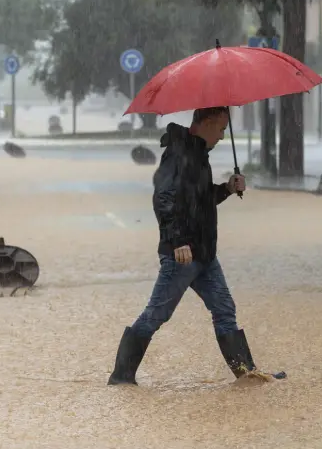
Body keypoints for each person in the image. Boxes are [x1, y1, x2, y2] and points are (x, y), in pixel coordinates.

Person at [108, 107, 285, 385]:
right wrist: (177, 240)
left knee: (224, 309)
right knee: (156, 314)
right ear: (208, 123)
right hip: (183, 255)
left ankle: (247, 374)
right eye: (221, 129)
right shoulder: (179, 154)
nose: (223, 136)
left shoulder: (199, 154)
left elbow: (199, 203)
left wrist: (226, 188)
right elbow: (163, 199)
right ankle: (121, 378)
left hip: (204, 254)